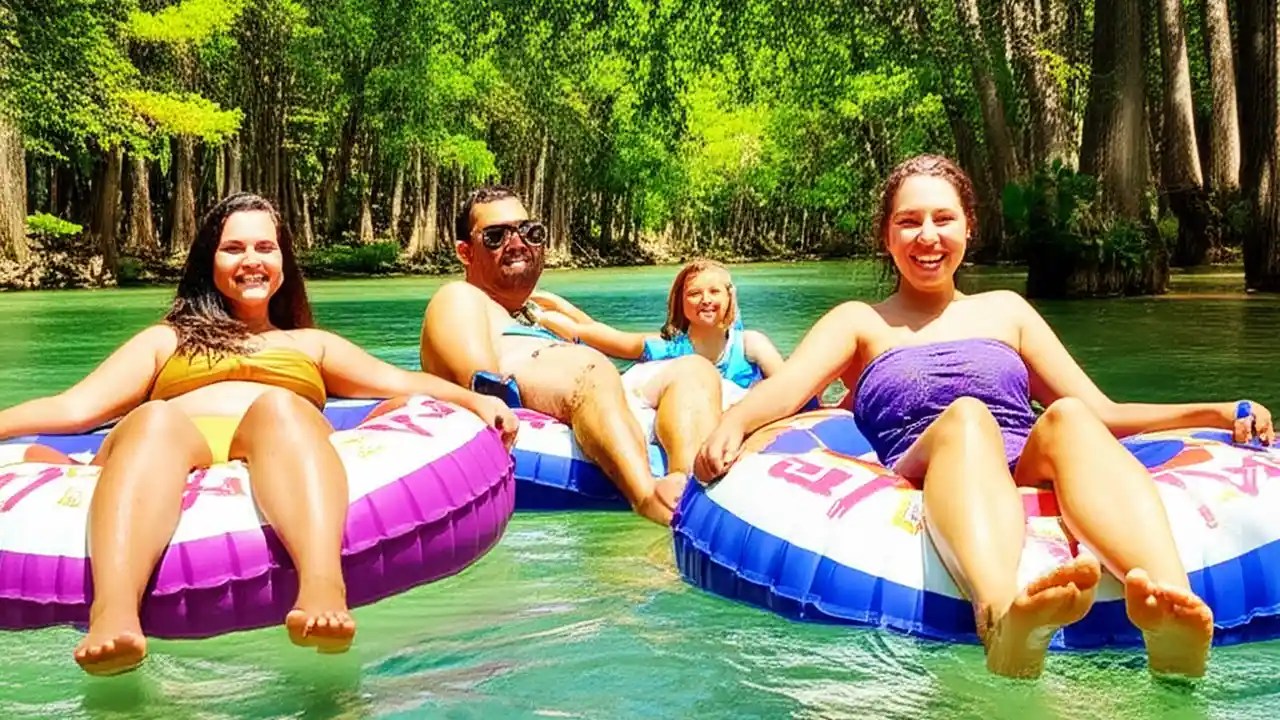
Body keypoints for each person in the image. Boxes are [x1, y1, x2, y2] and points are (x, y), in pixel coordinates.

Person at [695, 154, 1275, 680]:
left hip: (1022, 458)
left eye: (943, 219)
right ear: (886, 236)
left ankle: (1168, 606)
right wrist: (734, 421)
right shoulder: (859, 321)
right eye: (909, 222)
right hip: (927, 458)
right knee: (969, 418)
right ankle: (1000, 618)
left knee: (1070, 416)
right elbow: (790, 390)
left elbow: (1103, 411)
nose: (928, 236)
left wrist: (1217, 411)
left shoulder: (1007, 310)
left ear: (970, 226)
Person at [0, 192, 517, 676]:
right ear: (210, 261)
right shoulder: (167, 339)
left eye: (265, 247)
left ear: (284, 262)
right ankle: (114, 615)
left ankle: (321, 588)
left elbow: (402, 382)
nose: (252, 259)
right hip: (173, 446)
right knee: (157, 419)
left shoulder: (310, 344)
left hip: (274, 441)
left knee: (281, 408)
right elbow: (73, 408)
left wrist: (476, 400)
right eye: (234, 248)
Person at [420, 186, 724, 526]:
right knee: (590, 368)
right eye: (496, 236)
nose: (518, 242)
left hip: (602, 401)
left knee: (694, 368)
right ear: (465, 252)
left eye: (530, 231)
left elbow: (595, 335)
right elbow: (484, 385)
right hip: (567, 396)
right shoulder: (459, 298)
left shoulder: (529, 316)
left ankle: (686, 488)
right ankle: (647, 498)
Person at [527, 258, 785, 412]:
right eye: (694, 294)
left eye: (715, 292)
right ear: (680, 303)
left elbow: (791, 388)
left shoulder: (751, 345)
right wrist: (545, 314)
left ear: (730, 297)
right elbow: (599, 334)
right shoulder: (667, 348)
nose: (705, 300)